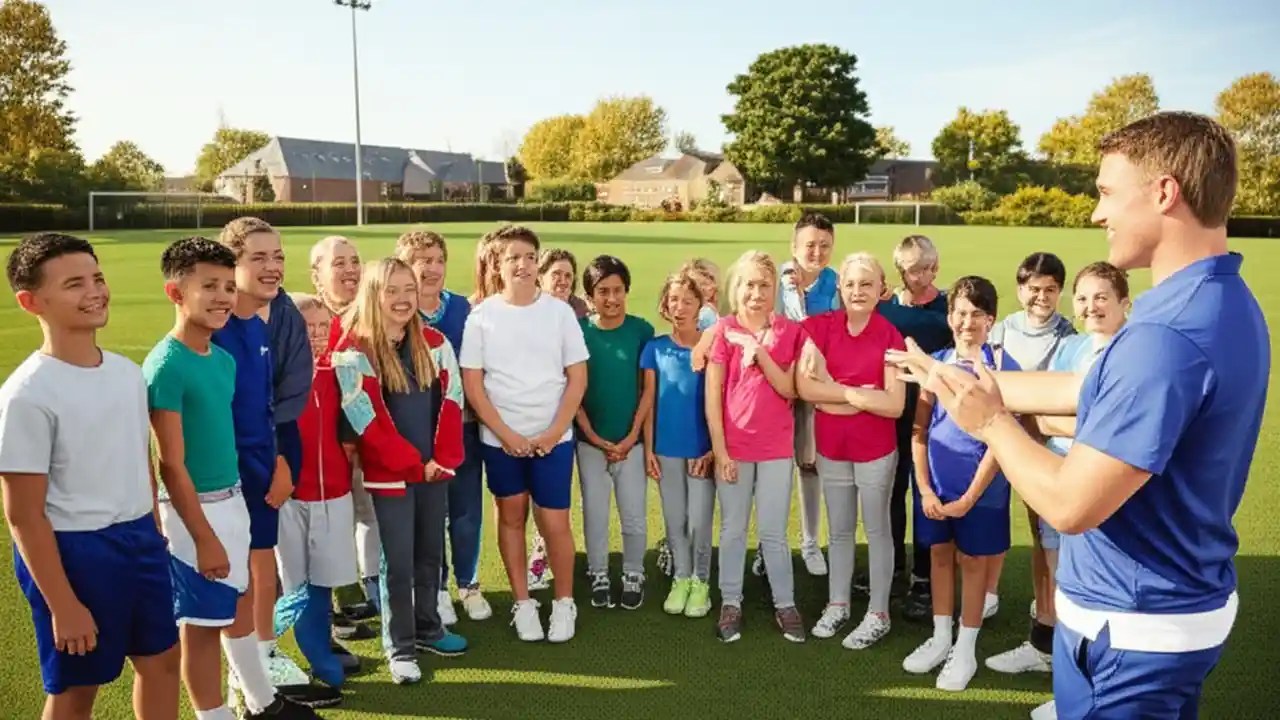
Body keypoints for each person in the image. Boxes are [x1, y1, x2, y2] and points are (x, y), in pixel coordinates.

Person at [888, 111, 1270, 720]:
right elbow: (1083, 386)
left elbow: (1069, 504)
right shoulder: (1219, 301)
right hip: (1167, 612)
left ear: (1164, 192)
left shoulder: (1166, 337)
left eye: (1107, 193)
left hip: (1130, 626)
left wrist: (989, 421)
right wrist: (945, 375)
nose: (1098, 213)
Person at [0, 233, 181, 720]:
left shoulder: (126, 373)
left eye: (97, 278)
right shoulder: (26, 395)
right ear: (30, 301)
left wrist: (154, 531)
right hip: (77, 553)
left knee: (163, 660)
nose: (95, 291)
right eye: (75, 284)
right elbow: (23, 514)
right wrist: (63, 603)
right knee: (79, 687)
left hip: (139, 539)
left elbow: (137, 456)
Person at [143, 236, 318, 719]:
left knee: (239, 605)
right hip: (193, 513)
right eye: (208, 287)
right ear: (176, 293)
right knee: (201, 625)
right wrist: (202, 537)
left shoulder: (221, 358)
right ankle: (213, 714)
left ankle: (261, 702)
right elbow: (170, 464)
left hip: (234, 499)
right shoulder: (165, 366)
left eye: (226, 285)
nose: (222, 296)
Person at [984, 262, 1131, 683]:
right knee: (1049, 559)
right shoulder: (1072, 349)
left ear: (1125, 303)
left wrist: (1066, 420)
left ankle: (1086, 674)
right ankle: (1046, 646)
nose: (1090, 307)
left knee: (1090, 575)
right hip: (1054, 467)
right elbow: (1046, 418)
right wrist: (1075, 421)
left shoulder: (1131, 352)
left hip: (1098, 479)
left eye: (1101, 297)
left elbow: (1110, 427)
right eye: (1083, 298)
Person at [212, 219, 336, 707]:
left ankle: (262, 654)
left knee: (262, 562)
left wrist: (283, 461)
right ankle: (241, 670)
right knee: (233, 568)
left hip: (273, 450)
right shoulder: (216, 322)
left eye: (278, 256)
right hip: (225, 460)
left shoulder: (283, 310)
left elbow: (291, 390)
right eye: (258, 257)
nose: (272, 267)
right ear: (233, 263)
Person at [329, 257, 468, 685]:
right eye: (393, 290)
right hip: (391, 474)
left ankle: (428, 628)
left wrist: (440, 460)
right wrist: (413, 463)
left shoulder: (436, 341)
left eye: (410, 288)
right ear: (374, 295)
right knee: (399, 563)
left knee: (430, 555)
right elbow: (367, 420)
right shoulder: (353, 350)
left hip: (433, 472)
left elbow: (452, 401)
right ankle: (400, 646)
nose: (404, 298)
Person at [459, 224, 587, 644]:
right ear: (497, 264)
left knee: (555, 523)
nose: (522, 264)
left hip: (553, 440)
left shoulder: (559, 312)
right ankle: (523, 602)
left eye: (530, 257)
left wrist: (554, 431)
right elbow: (474, 386)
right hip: (501, 441)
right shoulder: (481, 318)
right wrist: (505, 433)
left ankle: (564, 603)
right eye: (512, 257)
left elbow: (577, 378)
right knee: (511, 518)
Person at [901, 276, 1022, 692]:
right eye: (960, 313)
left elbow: (1002, 441)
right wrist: (926, 488)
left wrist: (971, 496)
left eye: (976, 314)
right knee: (938, 556)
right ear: (949, 316)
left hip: (982, 493)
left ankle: (965, 647)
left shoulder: (1004, 369)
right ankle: (939, 637)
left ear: (991, 319)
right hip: (936, 487)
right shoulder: (934, 360)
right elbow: (919, 431)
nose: (967, 322)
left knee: (972, 563)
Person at [794, 252, 905, 650]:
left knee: (876, 530)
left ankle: (878, 613)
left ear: (882, 289)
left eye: (867, 283)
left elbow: (894, 405)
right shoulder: (818, 327)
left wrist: (834, 395)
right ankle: (837, 603)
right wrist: (858, 395)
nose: (858, 291)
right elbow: (807, 389)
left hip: (875, 448)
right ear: (839, 287)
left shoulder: (890, 336)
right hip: (832, 446)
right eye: (851, 283)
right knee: (839, 530)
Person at [706, 250, 807, 644]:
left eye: (765, 285)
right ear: (737, 288)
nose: (757, 292)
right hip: (734, 448)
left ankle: (785, 603)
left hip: (776, 449)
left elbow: (788, 388)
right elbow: (713, 397)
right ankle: (731, 601)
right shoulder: (724, 330)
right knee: (732, 529)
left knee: (773, 531)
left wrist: (760, 353)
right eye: (749, 284)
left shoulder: (788, 332)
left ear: (774, 290)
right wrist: (721, 451)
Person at [395, 230, 493, 625]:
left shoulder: (464, 310)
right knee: (429, 515)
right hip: (415, 433)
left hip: (464, 427)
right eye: (422, 261)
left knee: (467, 512)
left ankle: (468, 584)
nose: (431, 268)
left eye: (438, 260)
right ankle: (435, 587)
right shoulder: (397, 312)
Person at [271, 292, 358, 692]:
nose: (319, 335)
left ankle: (320, 644)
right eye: (309, 328)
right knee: (296, 581)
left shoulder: (339, 374)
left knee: (326, 577)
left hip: (335, 494)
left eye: (325, 326)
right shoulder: (277, 380)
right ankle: (271, 649)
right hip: (291, 499)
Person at [988, 251, 1076, 622]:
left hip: (1040, 439)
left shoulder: (1067, 334)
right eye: (1034, 289)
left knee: (1042, 525)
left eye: (1051, 290)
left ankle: (1047, 596)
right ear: (1020, 288)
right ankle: (989, 591)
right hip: (999, 434)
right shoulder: (1004, 328)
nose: (1042, 297)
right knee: (991, 513)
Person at [876, 235, 952, 622]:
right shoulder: (885, 310)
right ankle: (892, 568)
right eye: (908, 269)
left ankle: (925, 576)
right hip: (891, 416)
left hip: (934, 422)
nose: (916, 275)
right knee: (892, 493)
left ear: (935, 268)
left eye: (923, 268)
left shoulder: (950, 309)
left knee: (926, 495)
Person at [576, 255, 656, 609]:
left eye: (617, 290)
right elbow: (570, 389)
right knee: (594, 511)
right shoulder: (579, 332)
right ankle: (598, 572)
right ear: (590, 296)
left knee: (633, 513)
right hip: (590, 443)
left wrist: (631, 436)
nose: (611, 298)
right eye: (602, 292)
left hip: (632, 444)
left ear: (627, 291)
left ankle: (634, 571)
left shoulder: (641, 331)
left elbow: (647, 390)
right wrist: (592, 435)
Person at [307, 236, 377, 636]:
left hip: (369, 439)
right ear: (317, 275)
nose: (351, 269)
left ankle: (365, 592)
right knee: (331, 524)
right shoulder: (308, 317)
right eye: (339, 263)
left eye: (355, 260)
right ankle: (336, 604)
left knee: (369, 516)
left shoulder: (372, 314)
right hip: (324, 446)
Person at [641, 271, 715, 618]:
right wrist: (649, 448)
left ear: (701, 305)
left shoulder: (713, 346)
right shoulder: (654, 349)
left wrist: (714, 449)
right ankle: (681, 578)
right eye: (674, 300)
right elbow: (650, 402)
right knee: (675, 518)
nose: (680, 307)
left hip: (701, 450)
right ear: (665, 306)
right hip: (666, 450)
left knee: (699, 519)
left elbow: (720, 403)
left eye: (688, 300)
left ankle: (701, 581)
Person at [776, 211, 841, 579]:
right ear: (795, 247)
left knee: (811, 465)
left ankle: (811, 542)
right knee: (772, 468)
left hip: (819, 390)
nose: (816, 252)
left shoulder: (838, 284)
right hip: (776, 387)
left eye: (824, 245)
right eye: (810, 245)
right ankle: (774, 542)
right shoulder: (778, 281)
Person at [538, 248, 591, 318]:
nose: (563, 281)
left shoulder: (581, 310)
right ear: (540, 279)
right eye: (556, 274)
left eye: (568, 276)